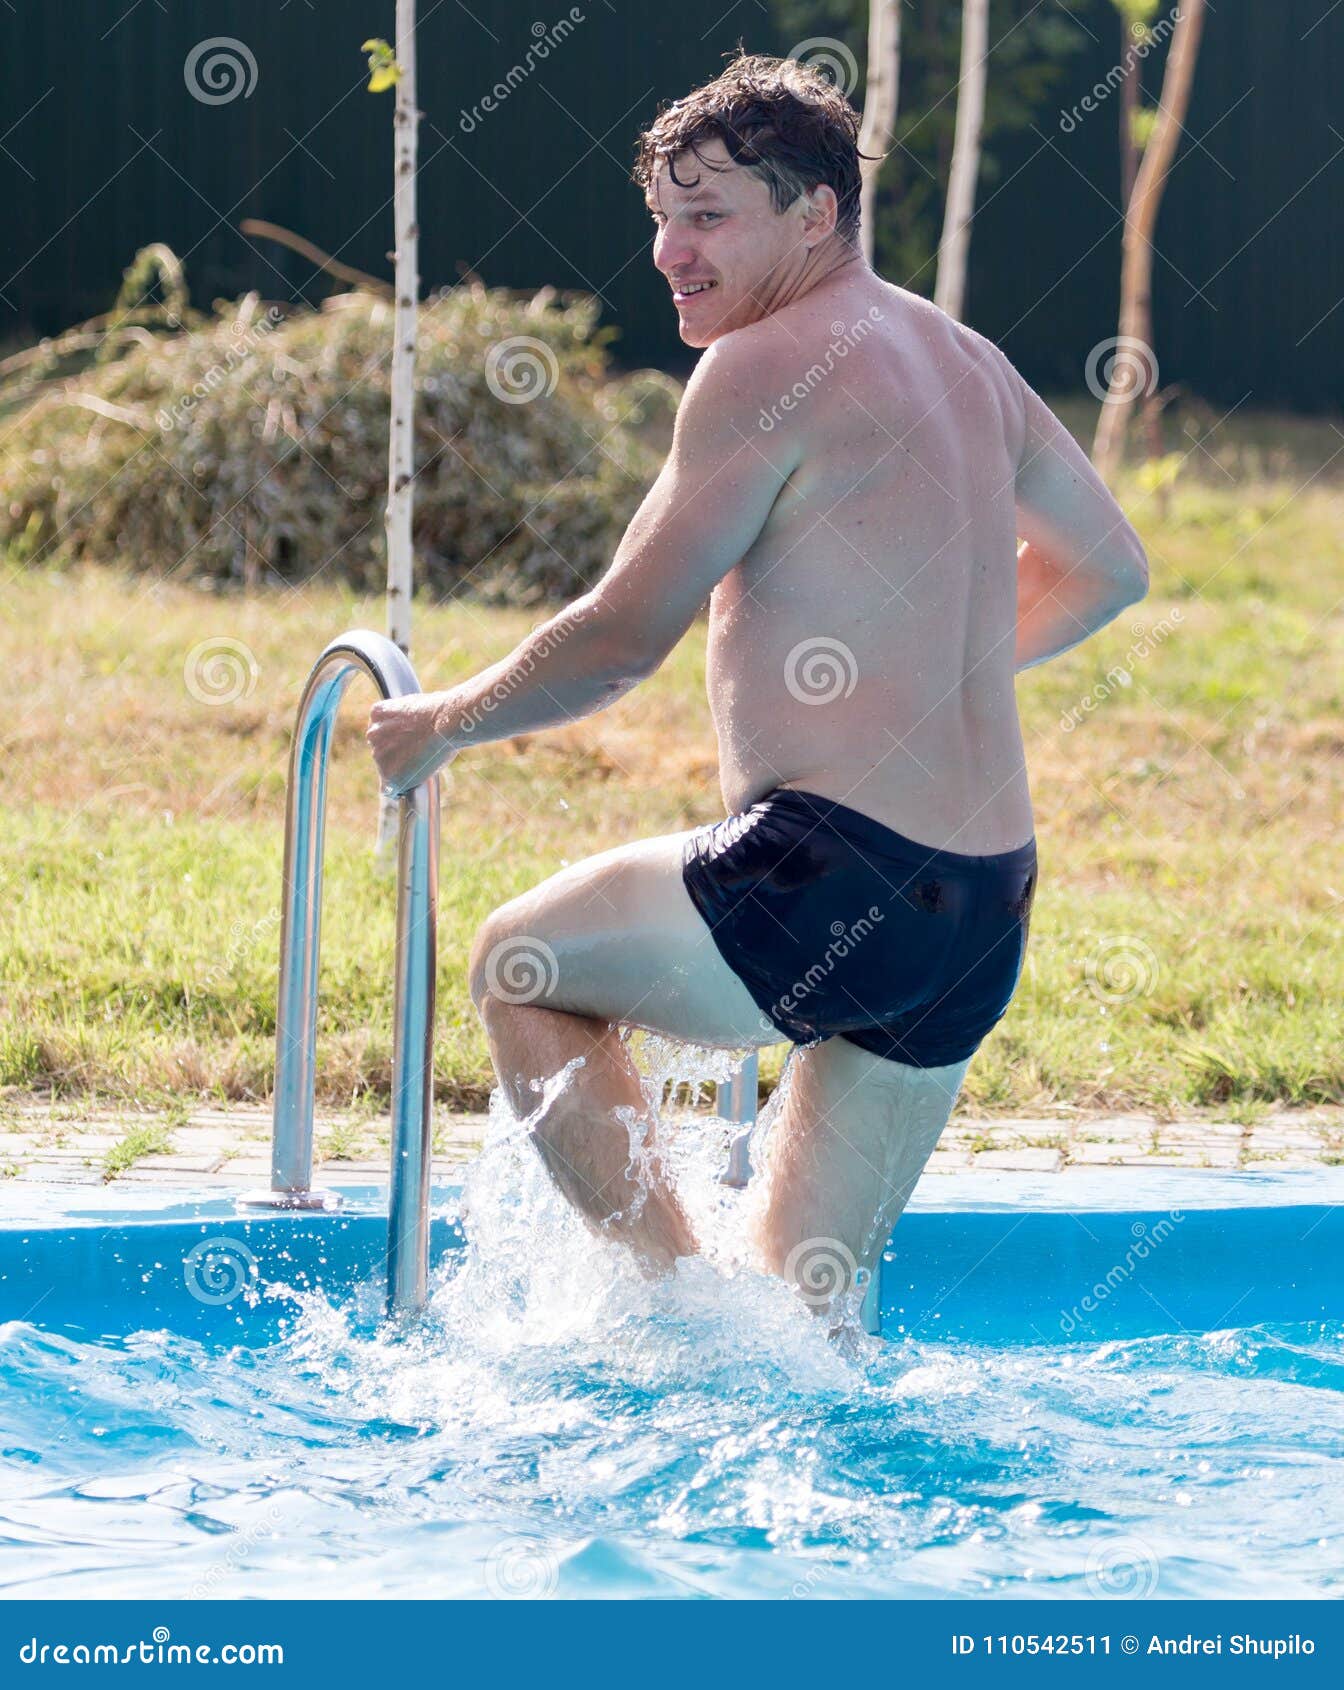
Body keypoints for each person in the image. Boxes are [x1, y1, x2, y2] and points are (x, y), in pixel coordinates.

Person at [366, 53, 1147, 1310]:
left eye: (709, 216)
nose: (673, 251)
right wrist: (930, 653)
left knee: (520, 964)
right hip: (981, 905)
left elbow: (624, 637)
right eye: (662, 220)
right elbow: (1109, 568)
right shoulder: (968, 362)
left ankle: (673, 1313)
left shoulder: (761, 365)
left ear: (817, 214)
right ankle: (740, 1361)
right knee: (809, 1320)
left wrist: (440, 727)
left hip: (824, 868)